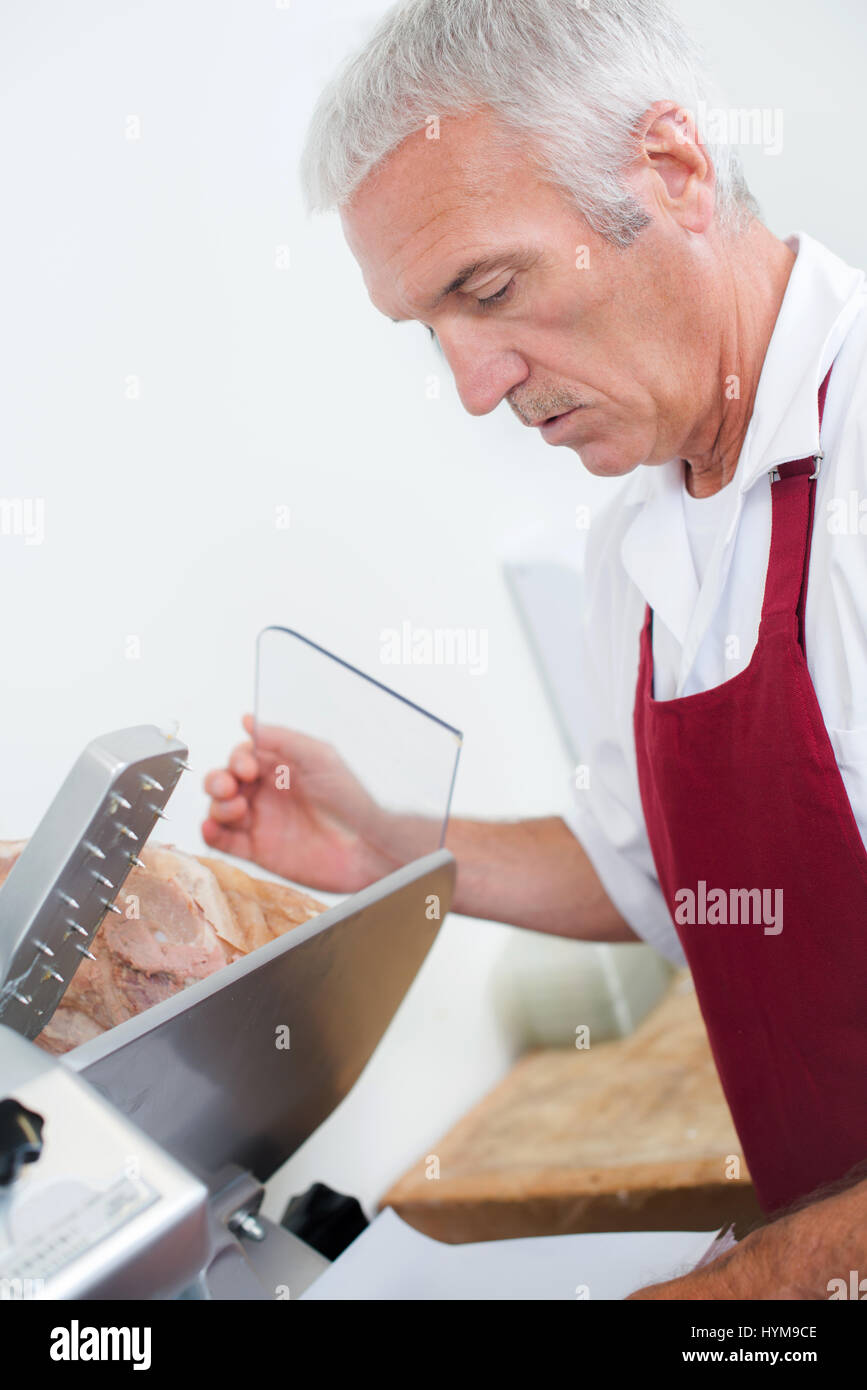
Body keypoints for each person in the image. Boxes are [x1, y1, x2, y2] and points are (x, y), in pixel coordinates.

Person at [203, 0, 867, 1299]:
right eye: (427, 327)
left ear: (674, 173)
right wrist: (397, 844)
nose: (473, 385)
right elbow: (653, 869)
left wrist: (733, 1295)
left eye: (489, 289)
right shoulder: (638, 537)